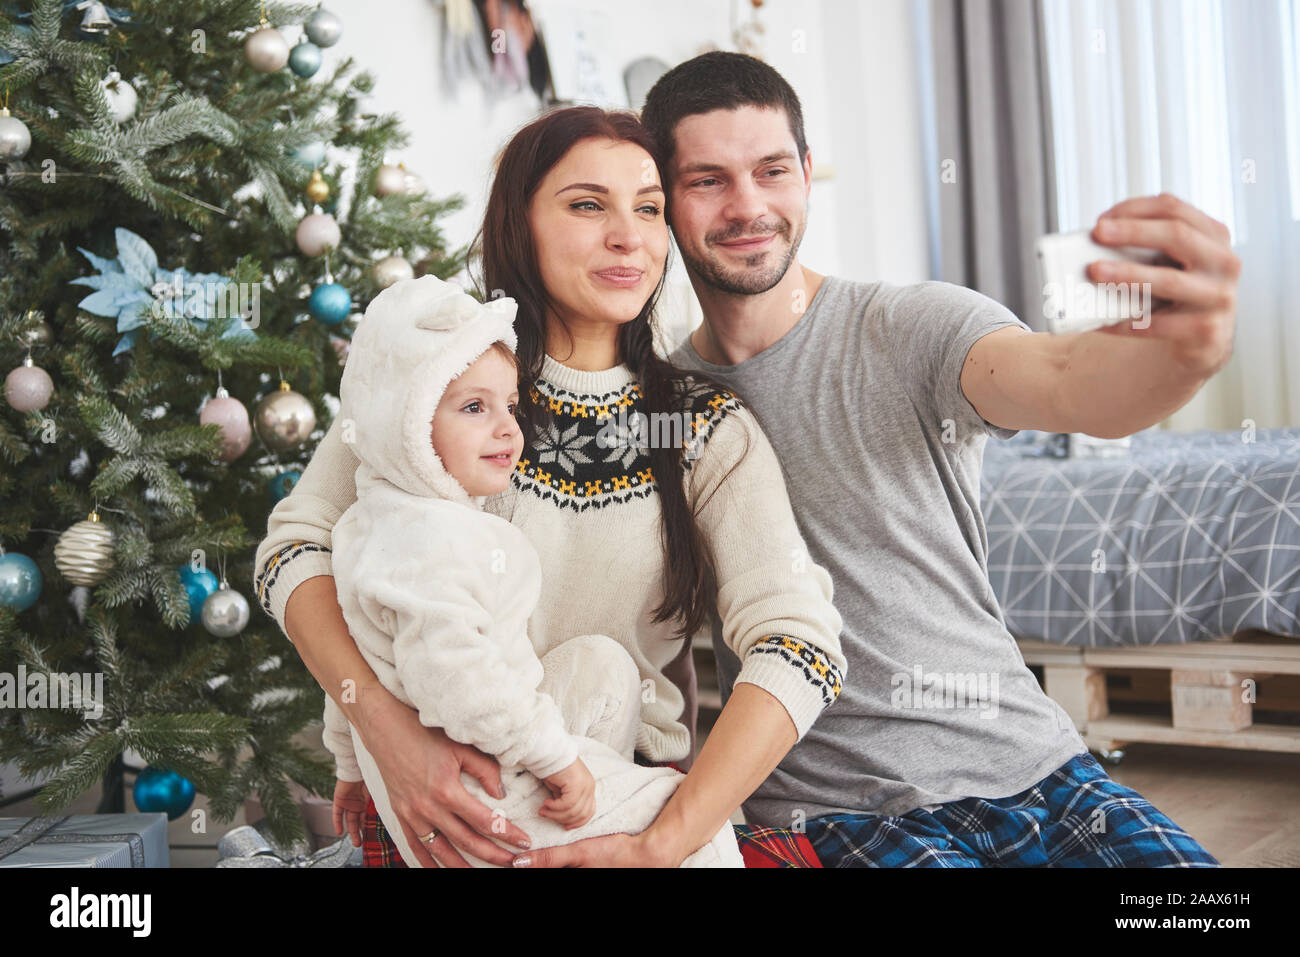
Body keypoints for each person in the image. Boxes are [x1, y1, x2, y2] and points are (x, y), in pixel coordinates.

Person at [517, 49, 1236, 868]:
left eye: (772, 169)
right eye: (708, 180)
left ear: (808, 173)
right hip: (834, 813)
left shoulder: (912, 327)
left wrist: (1188, 353)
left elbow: (1071, 383)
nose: (748, 205)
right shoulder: (668, 411)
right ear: (667, 205)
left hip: (1039, 770)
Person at [253, 107, 847, 868]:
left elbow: (801, 643)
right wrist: (384, 730)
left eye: (650, 209)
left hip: (610, 792)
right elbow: (292, 551)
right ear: (519, 222)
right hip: (443, 804)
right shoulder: (435, 384)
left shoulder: (702, 429)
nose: (628, 235)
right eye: (587, 204)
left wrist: (664, 840)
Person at [319, 272, 741, 867]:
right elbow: (459, 680)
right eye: (473, 407)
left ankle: (581, 809)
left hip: (494, 752)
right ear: (405, 424)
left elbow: (351, 668)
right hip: (481, 802)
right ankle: (585, 809)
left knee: (604, 664)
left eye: (511, 406)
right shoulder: (431, 541)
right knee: (692, 817)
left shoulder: (375, 520)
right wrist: (555, 759)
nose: (506, 429)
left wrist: (347, 761)